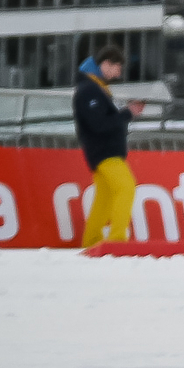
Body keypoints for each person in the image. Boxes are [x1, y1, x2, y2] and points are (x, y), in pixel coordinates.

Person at [71, 46, 138, 248]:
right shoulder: (89, 90)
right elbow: (99, 124)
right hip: (105, 151)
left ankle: (91, 241)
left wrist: (125, 113)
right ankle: (117, 239)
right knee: (126, 187)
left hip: (101, 151)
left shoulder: (95, 88)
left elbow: (102, 120)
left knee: (105, 198)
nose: (118, 74)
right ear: (106, 64)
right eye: (117, 68)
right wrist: (127, 113)